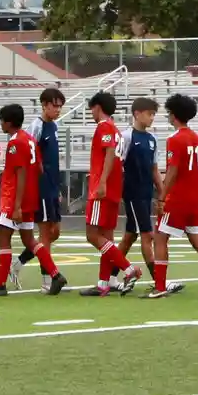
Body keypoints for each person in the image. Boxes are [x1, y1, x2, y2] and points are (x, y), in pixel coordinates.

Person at [147, 93, 198, 298]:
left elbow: (172, 171)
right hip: (194, 199)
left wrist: (162, 197)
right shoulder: (197, 138)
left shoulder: (175, 139)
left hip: (177, 199)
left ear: (173, 115)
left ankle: (160, 287)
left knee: (160, 238)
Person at [0, 102, 65, 296]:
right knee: (29, 240)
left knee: (3, 238)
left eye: (2, 120)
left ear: (8, 122)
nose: (1, 124)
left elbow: (20, 172)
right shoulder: (29, 140)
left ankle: (0, 284)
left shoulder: (15, 143)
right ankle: (55, 274)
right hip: (30, 198)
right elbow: (38, 169)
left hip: (14, 199)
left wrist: (17, 204)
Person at [80, 89, 126, 296]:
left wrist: (102, 182)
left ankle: (128, 268)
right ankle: (103, 283)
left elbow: (108, 152)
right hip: (114, 189)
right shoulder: (115, 129)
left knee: (92, 234)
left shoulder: (104, 127)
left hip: (102, 190)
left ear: (97, 107)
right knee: (107, 237)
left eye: (91, 108)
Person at [116, 96, 161, 293]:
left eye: (153, 115)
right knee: (147, 234)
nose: (152, 118)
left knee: (130, 236)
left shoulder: (152, 140)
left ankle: (108, 276)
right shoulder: (127, 137)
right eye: (149, 114)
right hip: (133, 193)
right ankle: (159, 280)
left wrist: (161, 192)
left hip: (145, 193)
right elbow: (117, 165)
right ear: (137, 114)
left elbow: (154, 169)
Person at [33, 86, 67, 265]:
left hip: (53, 185)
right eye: (55, 106)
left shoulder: (54, 126)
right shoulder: (36, 126)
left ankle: (22, 259)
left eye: (60, 106)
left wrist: (58, 187)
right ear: (44, 105)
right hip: (42, 186)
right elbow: (30, 156)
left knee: (55, 232)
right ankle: (47, 277)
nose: (58, 110)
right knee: (45, 232)